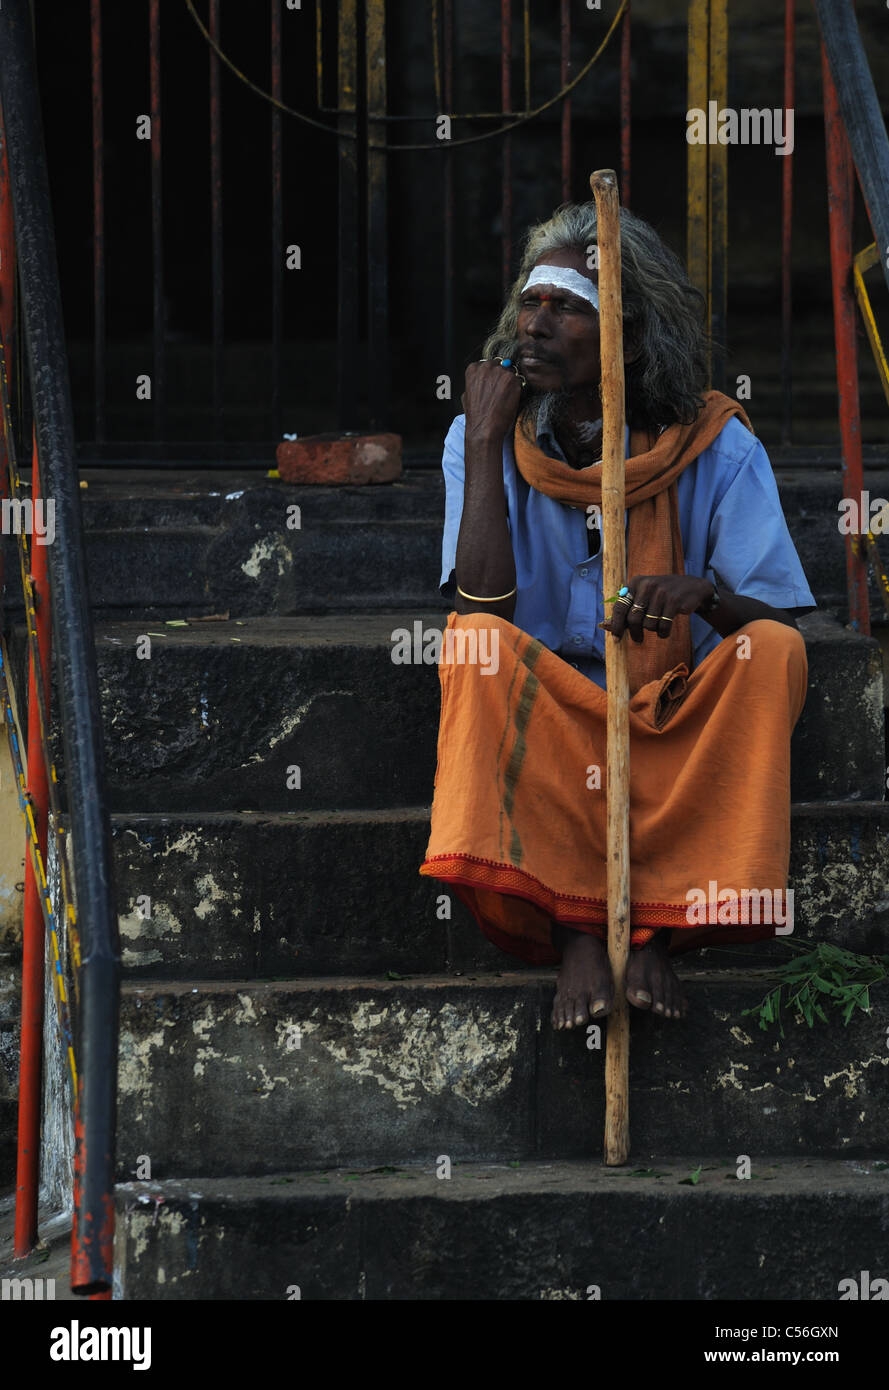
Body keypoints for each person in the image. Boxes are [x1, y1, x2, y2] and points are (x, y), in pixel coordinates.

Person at [419, 201, 817, 1031]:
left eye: (565, 308)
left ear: (626, 335)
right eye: (529, 304)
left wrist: (702, 594)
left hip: (671, 715)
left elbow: (777, 615)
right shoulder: (478, 438)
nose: (535, 325)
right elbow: (482, 602)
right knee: (475, 646)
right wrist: (489, 443)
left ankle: (652, 936)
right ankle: (573, 929)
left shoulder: (712, 441)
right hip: (550, 712)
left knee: (770, 651)